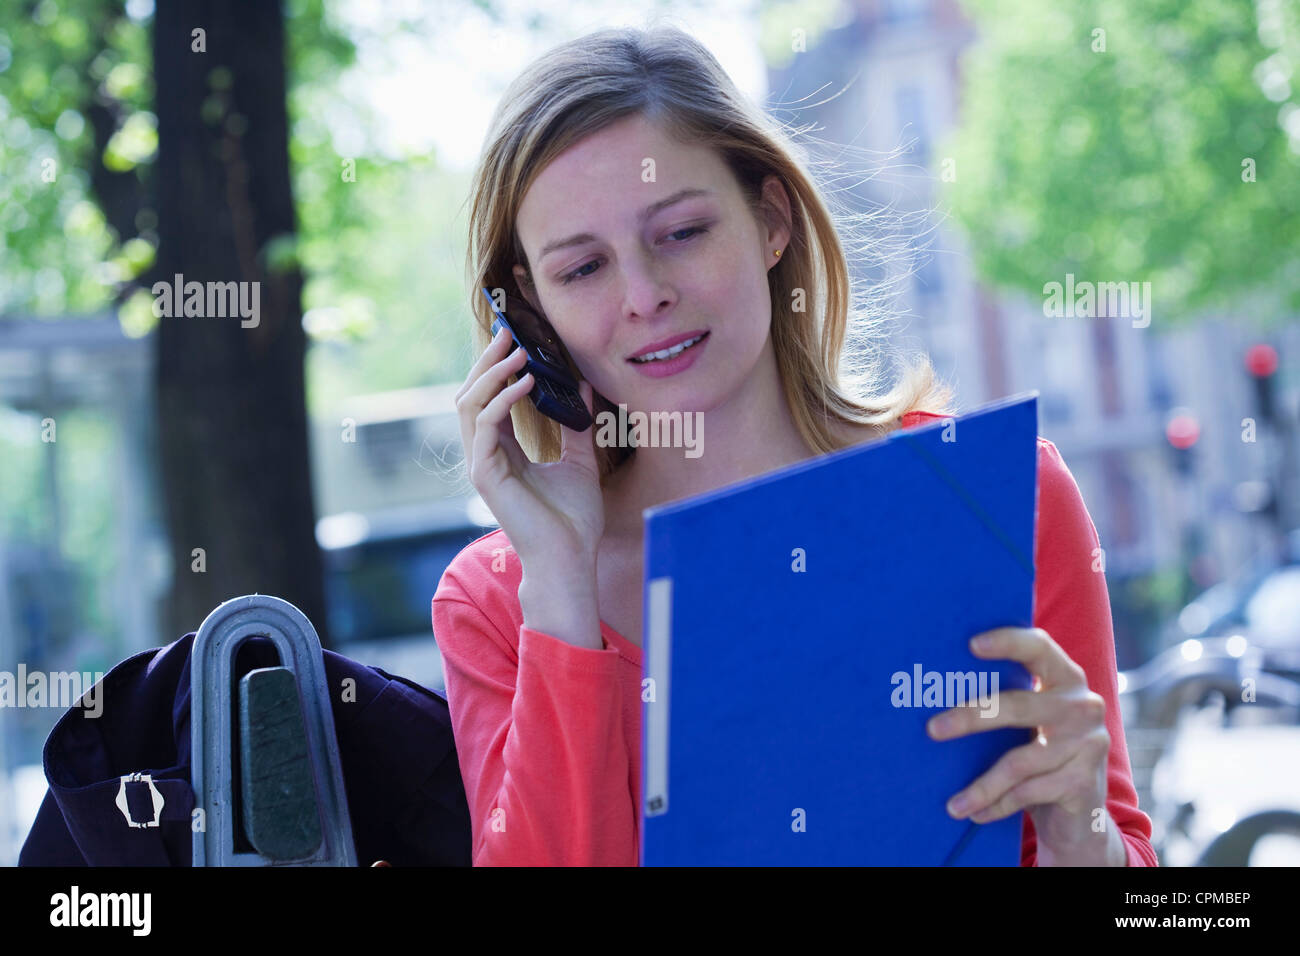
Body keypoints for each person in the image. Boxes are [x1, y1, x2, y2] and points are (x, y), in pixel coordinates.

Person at [432, 22, 1157, 867]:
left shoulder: (1000, 499)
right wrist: (561, 587)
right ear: (525, 312)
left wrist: (1083, 832)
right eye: (582, 269)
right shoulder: (495, 602)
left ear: (771, 220)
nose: (644, 296)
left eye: (681, 232)